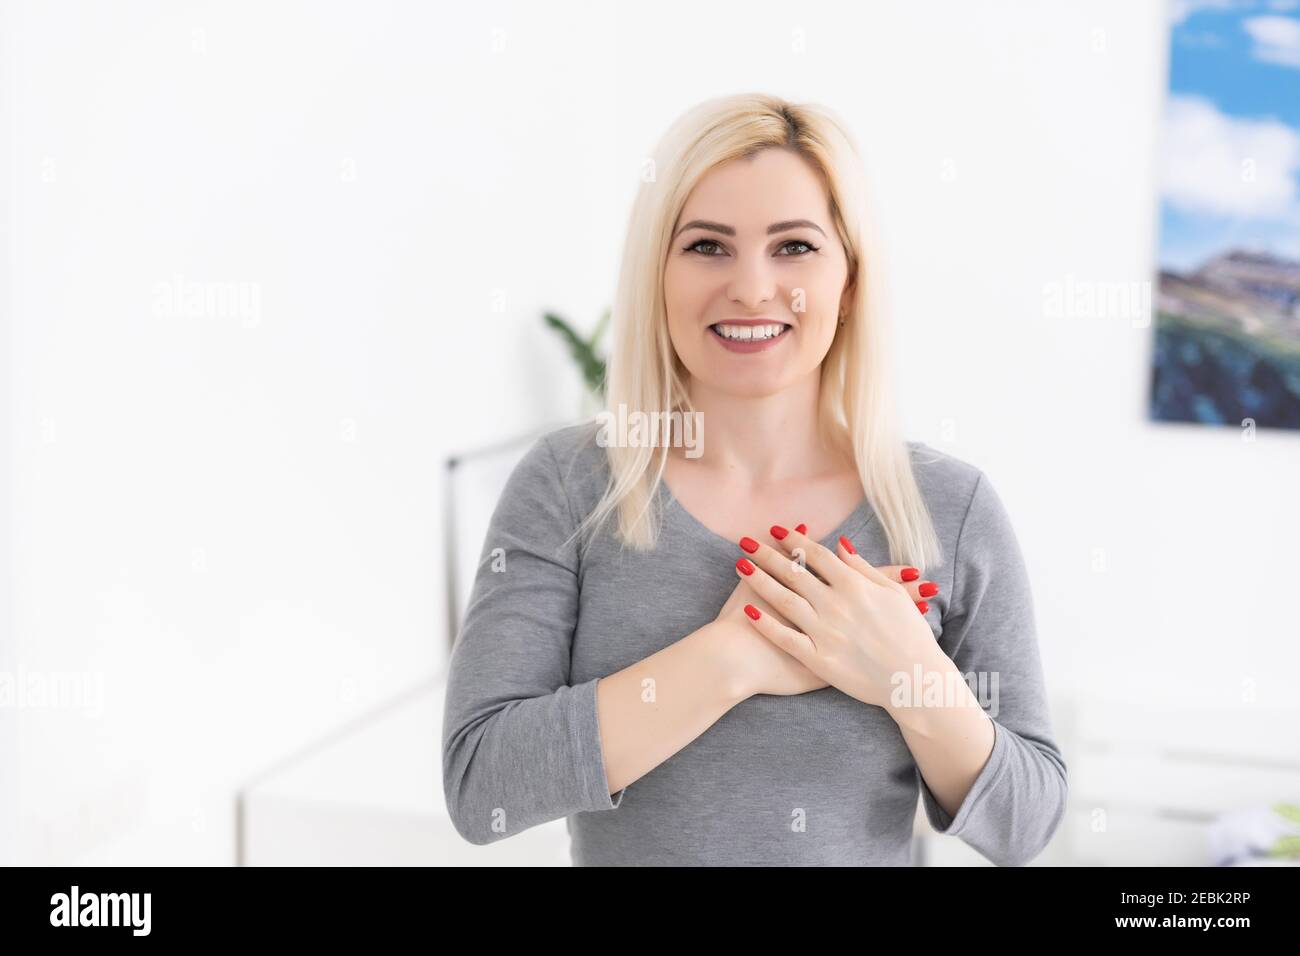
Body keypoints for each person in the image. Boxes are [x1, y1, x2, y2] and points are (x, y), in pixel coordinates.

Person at [441, 92, 1067, 865]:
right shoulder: (569, 485)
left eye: (794, 247)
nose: (750, 288)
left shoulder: (951, 507)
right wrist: (731, 658)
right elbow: (481, 788)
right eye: (707, 246)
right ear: (656, 273)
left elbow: (1028, 825)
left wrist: (909, 676)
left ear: (850, 279)